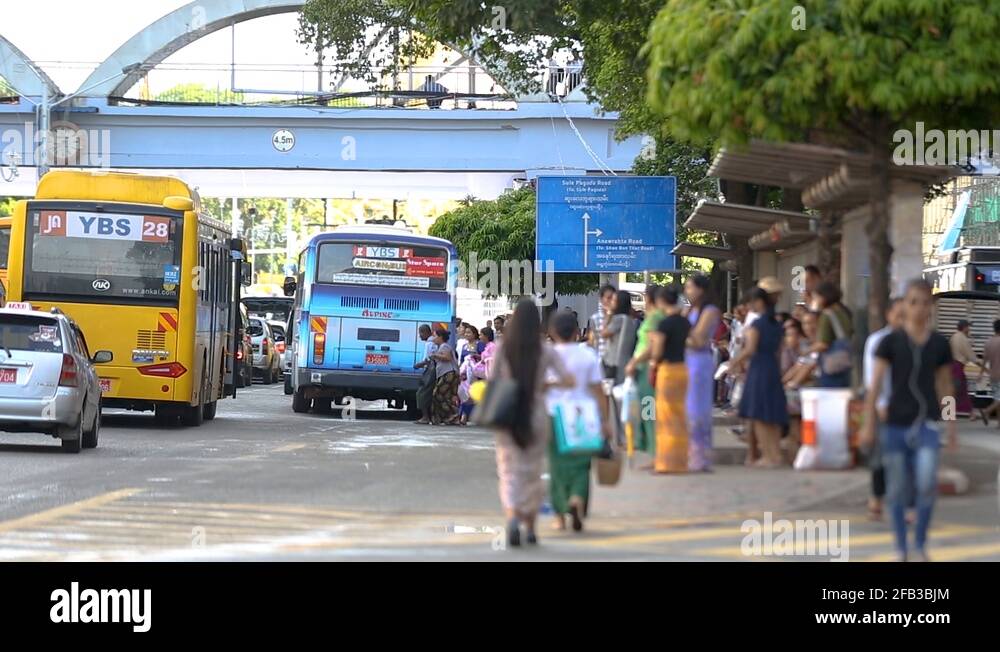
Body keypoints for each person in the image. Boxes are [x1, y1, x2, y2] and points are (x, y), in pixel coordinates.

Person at [862, 279, 957, 562]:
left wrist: (950, 426)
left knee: (927, 482)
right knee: (897, 488)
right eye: (913, 302)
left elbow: (946, 386)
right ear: (904, 304)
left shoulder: (939, 344)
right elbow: (876, 385)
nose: (918, 308)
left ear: (931, 306)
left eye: (924, 302)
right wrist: (868, 424)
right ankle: (902, 548)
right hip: (894, 425)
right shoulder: (889, 342)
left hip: (926, 424)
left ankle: (920, 543)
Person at [492, 299, 574, 547]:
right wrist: (545, 385)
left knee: (509, 471)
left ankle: (513, 517)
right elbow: (568, 380)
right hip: (536, 413)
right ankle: (530, 527)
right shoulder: (545, 349)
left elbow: (492, 380)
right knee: (532, 471)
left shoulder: (504, 348)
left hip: (509, 414)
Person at [546, 312, 612, 532]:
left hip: (553, 415)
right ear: (577, 332)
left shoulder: (547, 356)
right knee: (581, 465)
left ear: (552, 332)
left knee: (556, 466)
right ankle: (577, 499)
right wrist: (605, 421)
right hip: (583, 415)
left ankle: (559, 516)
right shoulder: (588, 356)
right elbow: (599, 391)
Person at [731, 288, 788, 467]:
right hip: (772, 368)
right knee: (772, 413)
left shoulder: (757, 325)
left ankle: (769, 457)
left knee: (759, 414)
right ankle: (775, 454)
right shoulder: (776, 324)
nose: (749, 306)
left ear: (759, 302)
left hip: (758, 369)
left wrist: (734, 361)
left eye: (751, 302)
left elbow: (750, 349)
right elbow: (780, 351)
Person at [862, 297, 904, 520]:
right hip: (884, 407)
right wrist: (879, 405)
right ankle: (877, 498)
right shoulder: (878, 341)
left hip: (909, 409)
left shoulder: (915, 341)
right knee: (881, 456)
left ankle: (900, 502)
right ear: (888, 314)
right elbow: (872, 378)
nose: (902, 319)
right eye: (899, 314)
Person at [648, 286, 690, 473]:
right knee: (680, 416)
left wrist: (652, 364)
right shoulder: (684, 322)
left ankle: (666, 463)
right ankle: (681, 462)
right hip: (682, 369)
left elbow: (657, 351)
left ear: (662, 301)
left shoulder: (664, 324)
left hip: (667, 370)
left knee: (665, 417)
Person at [684, 274, 722, 472]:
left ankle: (701, 456)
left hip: (699, 362)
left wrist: (682, 334)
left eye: (690, 287)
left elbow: (698, 340)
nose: (687, 291)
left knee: (697, 409)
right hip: (687, 360)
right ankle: (691, 453)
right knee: (688, 409)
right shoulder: (690, 310)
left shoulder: (710, 311)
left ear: (701, 289)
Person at [624, 285, 664, 462]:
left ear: (649, 298)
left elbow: (651, 345)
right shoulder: (654, 316)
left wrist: (634, 362)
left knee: (649, 410)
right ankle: (652, 451)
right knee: (646, 409)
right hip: (644, 367)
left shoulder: (655, 317)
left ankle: (656, 453)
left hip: (647, 367)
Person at [811, 281, 853, 388]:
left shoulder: (826, 315)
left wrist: (806, 350)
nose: (815, 301)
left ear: (824, 297)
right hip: (845, 362)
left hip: (831, 365)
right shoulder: (843, 311)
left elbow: (823, 344)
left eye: (816, 297)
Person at [601, 290, 638, 386]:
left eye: (613, 300)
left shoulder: (618, 319)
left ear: (619, 303)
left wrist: (608, 314)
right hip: (625, 359)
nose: (611, 302)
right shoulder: (629, 319)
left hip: (613, 362)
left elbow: (604, 333)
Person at [949, 319, 981, 418]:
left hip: (952, 366)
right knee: (959, 390)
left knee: (958, 390)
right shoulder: (963, 338)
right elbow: (971, 356)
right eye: (968, 327)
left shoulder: (953, 337)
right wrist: (981, 365)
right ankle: (970, 413)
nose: (969, 329)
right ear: (965, 327)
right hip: (957, 367)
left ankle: (969, 413)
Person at [430, 329, 460, 425]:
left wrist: (435, 355)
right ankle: (449, 418)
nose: (433, 339)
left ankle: (453, 414)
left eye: (435, 336)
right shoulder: (441, 347)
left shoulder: (444, 346)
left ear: (440, 337)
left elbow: (447, 358)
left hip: (448, 373)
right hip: (447, 373)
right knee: (447, 396)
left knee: (438, 394)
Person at [587, 285, 617, 376]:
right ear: (601, 299)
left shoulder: (619, 317)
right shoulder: (595, 318)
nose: (611, 301)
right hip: (600, 362)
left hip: (616, 361)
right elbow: (592, 342)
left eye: (613, 298)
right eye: (608, 298)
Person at [413, 324, 437, 424]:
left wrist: (418, 365)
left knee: (422, 393)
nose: (420, 335)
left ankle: (425, 417)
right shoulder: (432, 342)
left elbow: (429, 359)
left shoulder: (430, 344)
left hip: (430, 370)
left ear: (427, 332)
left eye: (421, 333)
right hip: (432, 369)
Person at [978, 319, 1000, 426]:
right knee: (999, 399)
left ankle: (999, 423)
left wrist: (981, 373)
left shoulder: (988, 342)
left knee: (997, 397)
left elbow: (984, 360)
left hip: (992, 376)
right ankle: (986, 411)